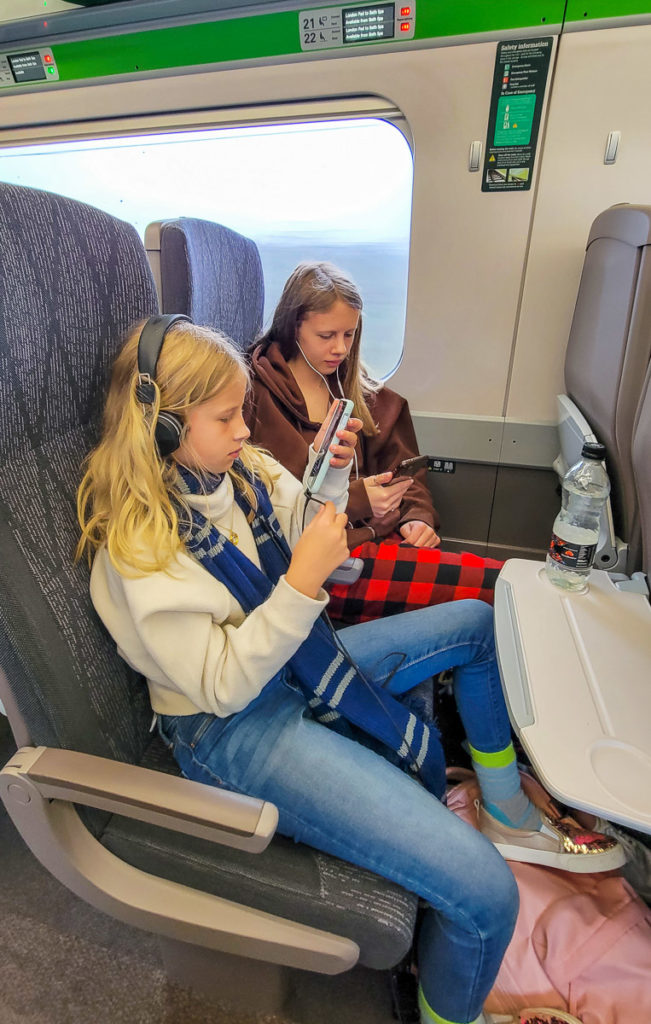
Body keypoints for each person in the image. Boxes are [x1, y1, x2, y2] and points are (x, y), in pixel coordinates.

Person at [77, 316, 623, 1024]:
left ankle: (508, 810)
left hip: (291, 662)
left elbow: (306, 519)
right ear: (162, 427)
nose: (244, 431)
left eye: (243, 412)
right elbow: (224, 686)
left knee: (474, 623)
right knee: (486, 897)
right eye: (224, 418)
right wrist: (302, 586)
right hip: (228, 728)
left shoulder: (234, 470)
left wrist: (330, 475)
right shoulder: (138, 544)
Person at [246, 261, 504, 627]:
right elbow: (279, 505)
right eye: (326, 336)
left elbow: (405, 472)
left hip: (381, 538)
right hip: (329, 562)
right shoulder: (256, 397)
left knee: (502, 590)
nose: (340, 349)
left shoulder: (359, 391)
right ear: (293, 328)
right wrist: (359, 499)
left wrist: (417, 518)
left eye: (349, 336)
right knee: (499, 588)